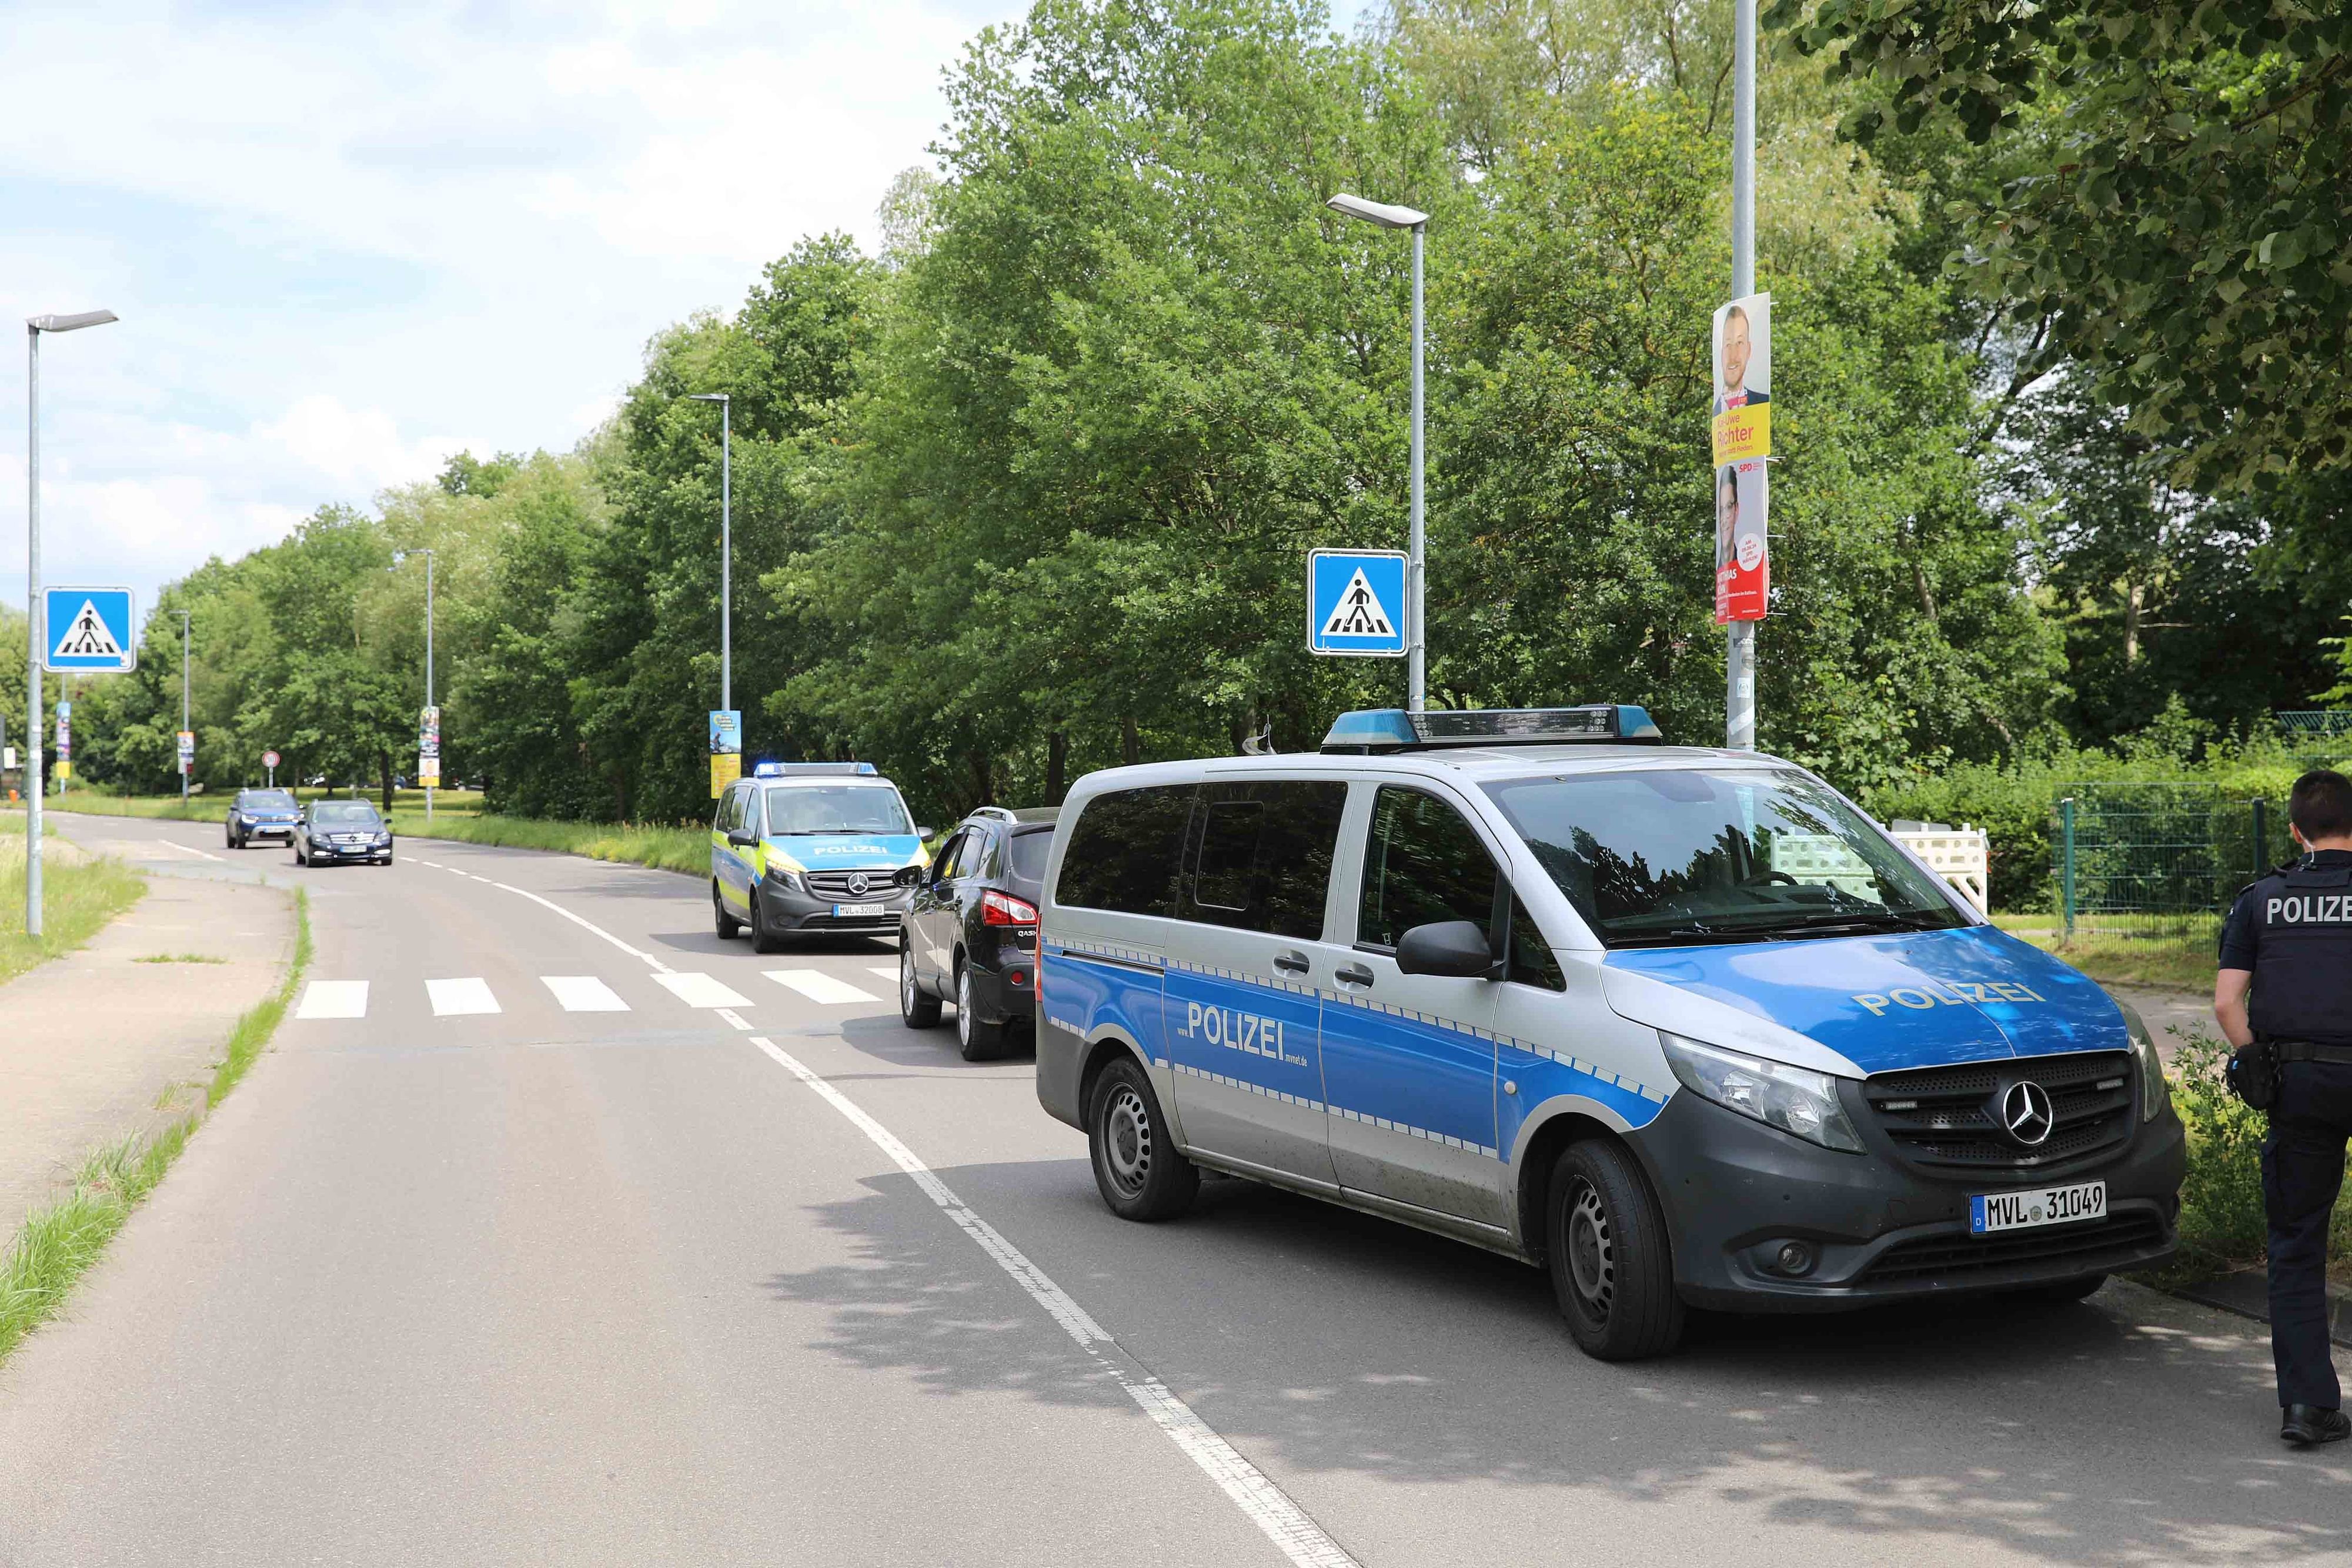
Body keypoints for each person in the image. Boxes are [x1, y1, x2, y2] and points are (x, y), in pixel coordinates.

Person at [2215, 767, 2352, 1448]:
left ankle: (2307, 1407)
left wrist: (2252, 1061)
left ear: (2296, 831)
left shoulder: (2263, 899)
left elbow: (2225, 1003)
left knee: (2296, 1245)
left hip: (2298, 1085)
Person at [1715, 304, 1769, 416]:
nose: (1733, 356)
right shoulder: (1714, 414)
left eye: (1739, 343)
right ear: (1721, 352)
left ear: (1748, 350)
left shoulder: (1763, 404)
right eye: (1728, 344)